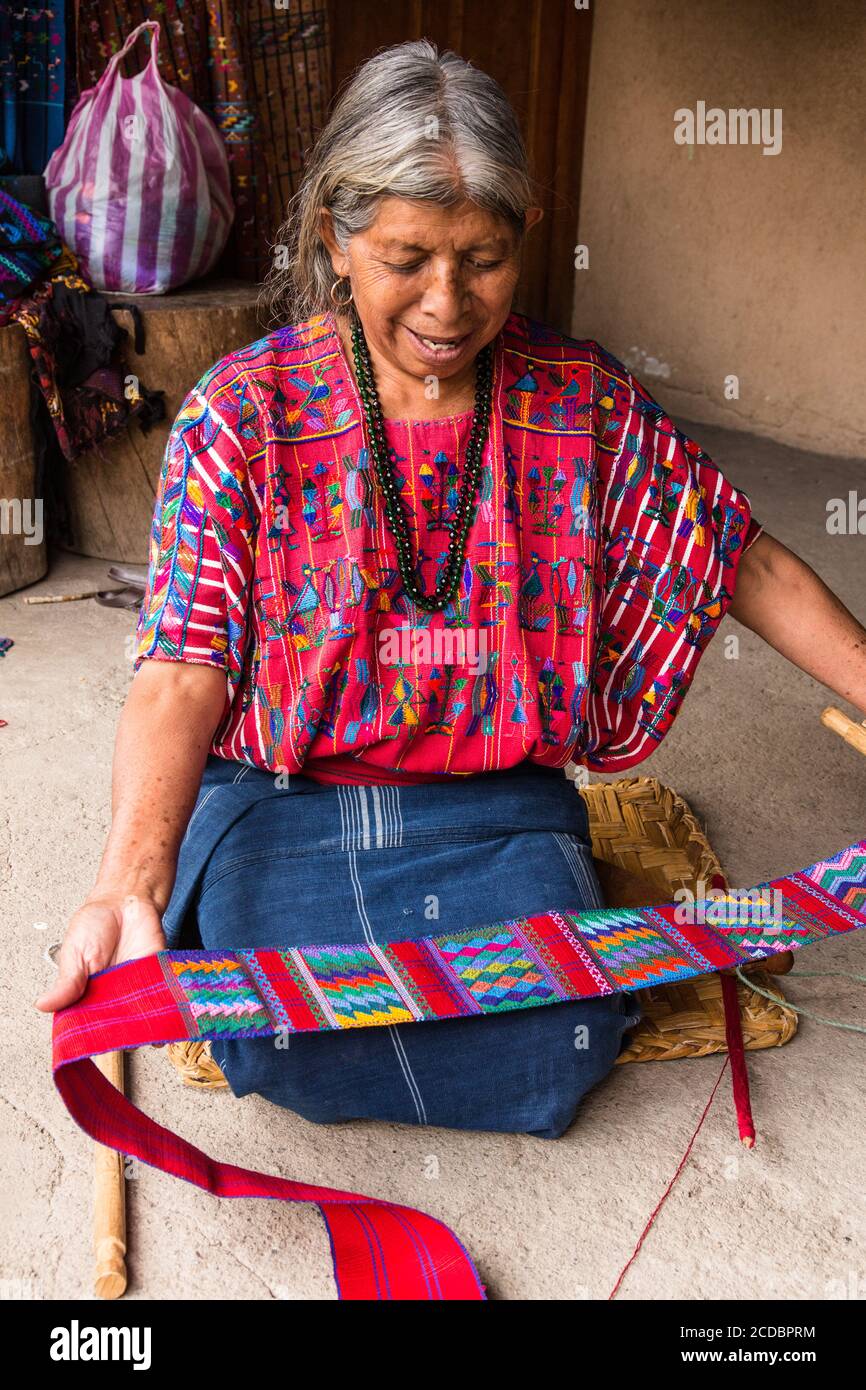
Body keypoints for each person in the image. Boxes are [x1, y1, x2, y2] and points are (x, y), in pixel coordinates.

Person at [36, 40, 866, 1138]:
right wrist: (126, 882)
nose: (445, 302)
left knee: (552, 1038)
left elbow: (737, 554)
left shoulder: (579, 403)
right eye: (406, 257)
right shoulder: (244, 413)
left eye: (481, 257)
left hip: (494, 807)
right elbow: (181, 667)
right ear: (336, 237)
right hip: (283, 799)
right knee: (267, 1020)